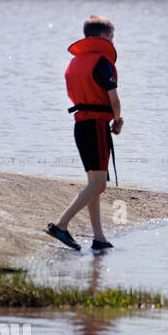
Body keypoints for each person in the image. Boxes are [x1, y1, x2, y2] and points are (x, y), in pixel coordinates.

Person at [46, 16, 123, 252]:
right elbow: (113, 98)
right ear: (103, 36)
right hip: (97, 126)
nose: (113, 41)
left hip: (80, 125)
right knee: (99, 185)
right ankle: (61, 225)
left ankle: (99, 237)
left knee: (94, 184)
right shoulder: (103, 63)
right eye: (111, 37)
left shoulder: (75, 62)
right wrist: (118, 120)